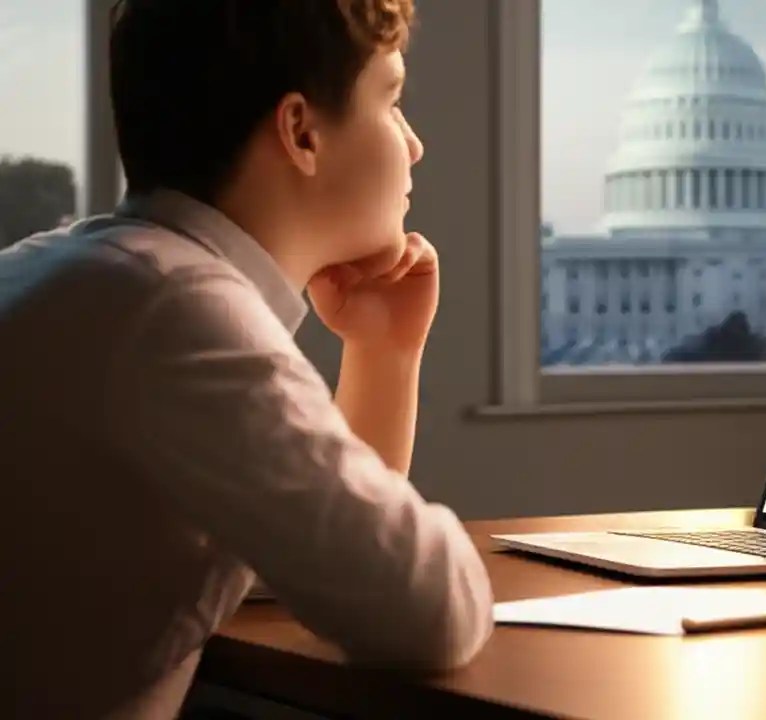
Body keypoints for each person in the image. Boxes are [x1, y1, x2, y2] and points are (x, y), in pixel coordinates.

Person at [0, 1, 493, 717]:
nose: (413, 144)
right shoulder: (173, 310)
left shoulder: (74, 271)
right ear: (301, 132)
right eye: (391, 98)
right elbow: (431, 611)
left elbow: (322, 561)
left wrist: (383, 354)